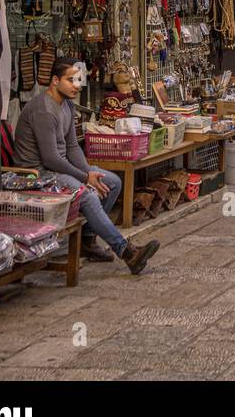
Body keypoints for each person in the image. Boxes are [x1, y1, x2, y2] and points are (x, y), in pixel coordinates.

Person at [12, 56, 160, 274]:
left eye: (79, 80)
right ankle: (127, 252)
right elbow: (51, 158)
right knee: (88, 196)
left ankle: (88, 242)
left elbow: (72, 147)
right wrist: (84, 179)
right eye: (71, 80)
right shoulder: (43, 110)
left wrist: (89, 172)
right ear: (55, 81)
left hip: (58, 168)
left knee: (112, 182)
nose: (76, 85)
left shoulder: (67, 105)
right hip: (39, 175)